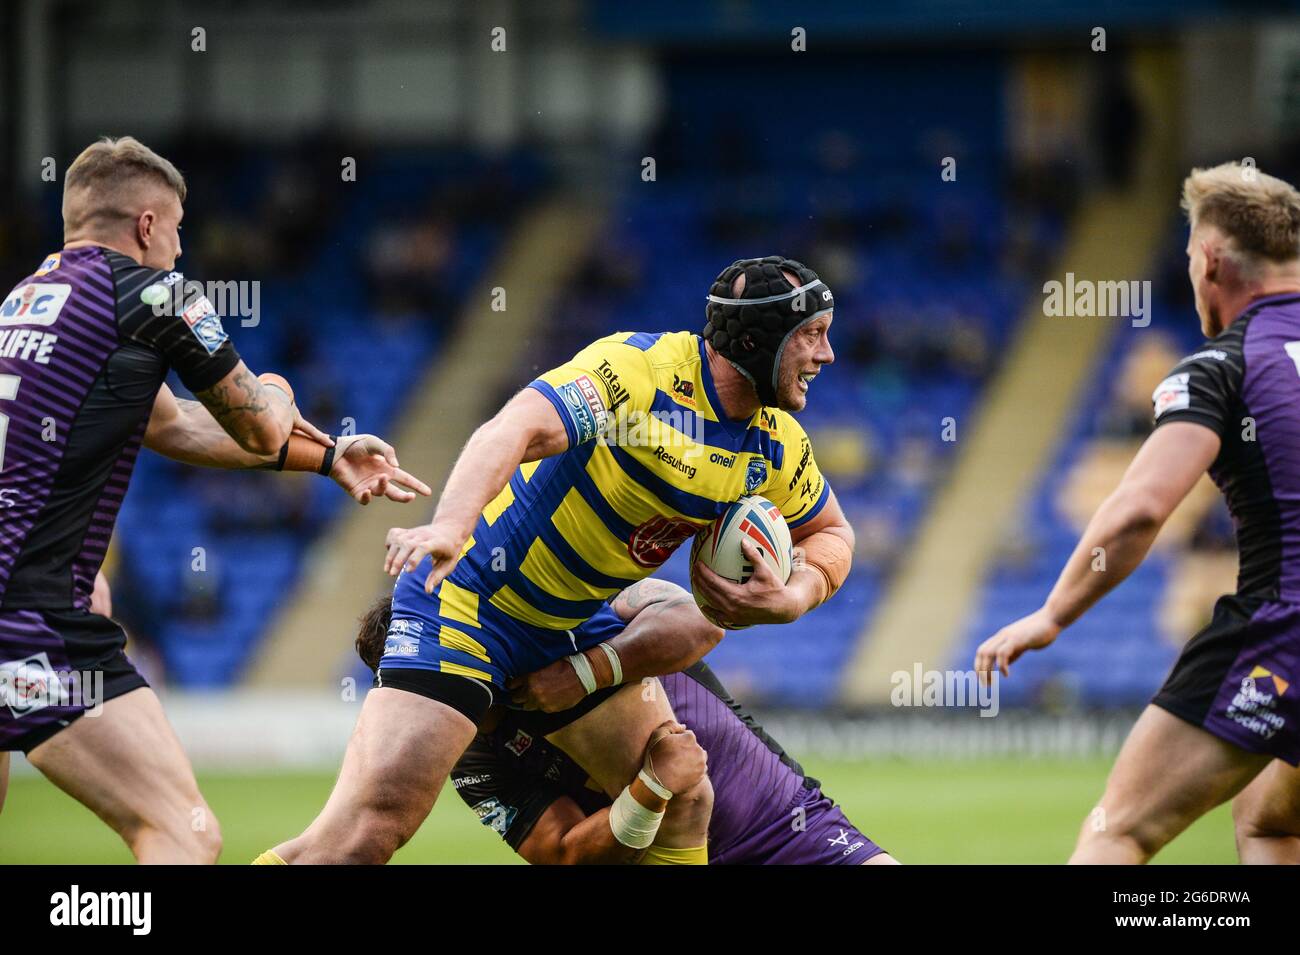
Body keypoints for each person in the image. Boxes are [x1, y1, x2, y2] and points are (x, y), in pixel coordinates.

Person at [265, 256, 856, 864]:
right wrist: (450, 525)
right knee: (366, 834)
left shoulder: (774, 444)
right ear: (757, 340)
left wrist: (795, 595)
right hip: (468, 603)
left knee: (683, 792)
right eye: (811, 335)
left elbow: (832, 532)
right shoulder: (640, 371)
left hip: (567, 628)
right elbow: (515, 426)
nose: (826, 354)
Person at [0, 136, 429, 862]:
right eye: (176, 226)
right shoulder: (156, 295)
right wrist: (282, 393)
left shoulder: (25, 301)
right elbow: (261, 427)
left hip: (29, 601)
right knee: (181, 832)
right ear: (146, 224)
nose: (179, 245)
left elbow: (173, 425)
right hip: (33, 616)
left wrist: (326, 456)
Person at [976, 162, 1300, 864]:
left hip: (1285, 629)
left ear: (1210, 259)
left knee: (1118, 831)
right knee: (1272, 820)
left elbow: (1139, 510)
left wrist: (1053, 613)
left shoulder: (1220, 367)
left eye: (1188, 256)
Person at [351, 577, 894, 864]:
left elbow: (702, 625)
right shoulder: (470, 754)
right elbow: (563, 856)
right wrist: (652, 789)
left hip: (789, 825)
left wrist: (587, 673)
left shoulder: (572, 618)